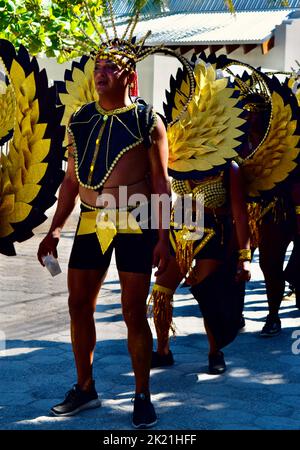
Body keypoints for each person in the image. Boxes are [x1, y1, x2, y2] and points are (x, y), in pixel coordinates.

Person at [37, 49, 171, 428]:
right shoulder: (80, 119)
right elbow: (70, 181)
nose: (101, 73)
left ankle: (142, 395)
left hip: (134, 221)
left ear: (128, 75)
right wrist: (55, 229)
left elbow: (161, 183)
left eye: (110, 67)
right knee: (78, 304)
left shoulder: (148, 121)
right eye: (97, 67)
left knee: (132, 311)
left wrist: (164, 236)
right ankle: (85, 388)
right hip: (93, 220)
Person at [149, 60, 251, 374]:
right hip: (180, 231)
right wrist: (161, 239)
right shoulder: (175, 156)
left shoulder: (228, 167)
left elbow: (239, 213)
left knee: (208, 293)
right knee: (161, 292)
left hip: (214, 233)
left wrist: (244, 256)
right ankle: (162, 350)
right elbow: (164, 195)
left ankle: (214, 351)